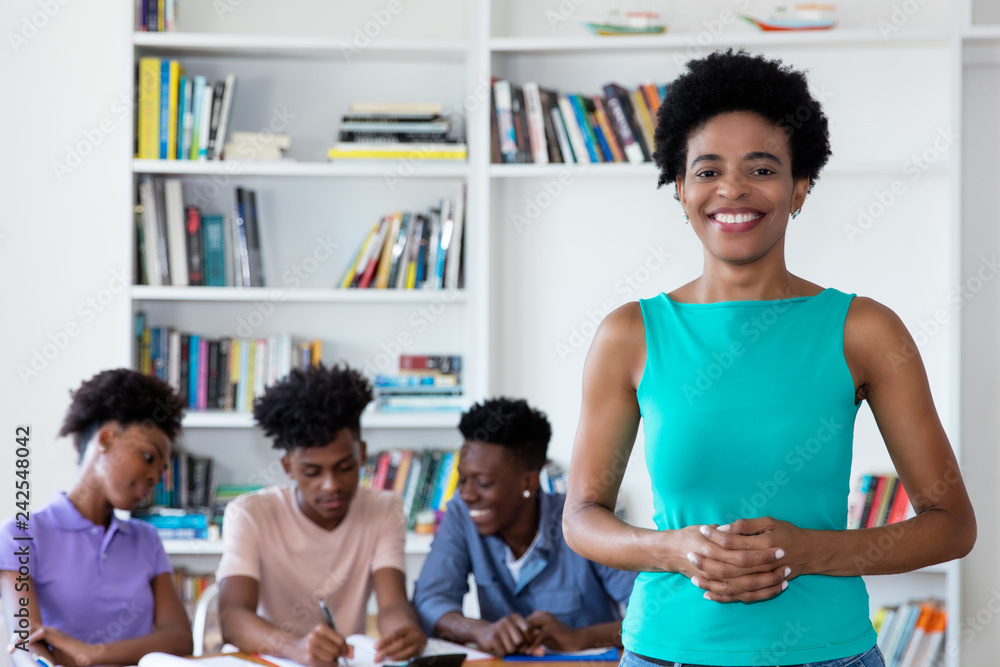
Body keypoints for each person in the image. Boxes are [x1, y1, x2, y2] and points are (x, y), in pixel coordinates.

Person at [562, 49, 977, 667]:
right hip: (666, 653)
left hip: (828, 654)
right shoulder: (630, 334)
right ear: (678, 188)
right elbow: (581, 518)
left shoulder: (863, 330)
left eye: (761, 168)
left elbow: (952, 524)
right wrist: (674, 549)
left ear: (800, 186)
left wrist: (808, 551)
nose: (732, 189)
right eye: (707, 171)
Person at [217, 362, 426, 667]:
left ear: (362, 454)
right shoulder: (249, 515)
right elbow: (233, 617)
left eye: (345, 467)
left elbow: (393, 604)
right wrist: (294, 647)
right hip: (270, 660)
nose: (332, 486)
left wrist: (404, 633)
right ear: (288, 466)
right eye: (312, 471)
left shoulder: (384, 509)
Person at [412, 397, 637, 657]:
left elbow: (651, 615)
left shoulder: (584, 520)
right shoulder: (462, 515)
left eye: (483, 483)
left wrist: (582, 638)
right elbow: (429, 600)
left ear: (529, 482)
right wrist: (480, 631)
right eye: (462, 480)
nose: (467, 494)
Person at [0, 369, 193, 667]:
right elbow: (26, 643)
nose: (156, 476)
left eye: (162, 470)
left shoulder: (146, 539)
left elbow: (180, 639)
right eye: (148, 456)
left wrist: (91, 654)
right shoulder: (22, 534)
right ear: (105, 439)